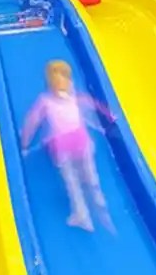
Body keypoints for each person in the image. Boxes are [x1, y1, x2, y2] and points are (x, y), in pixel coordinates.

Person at [20, 60, 115, 233]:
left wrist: (24, 144)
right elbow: (92, 103)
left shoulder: (45, 100)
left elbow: (32, 122)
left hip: (63, 146)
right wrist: (110, 116)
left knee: (71, 180)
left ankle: (81, 215)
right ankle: (97, 194)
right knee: (88, 168)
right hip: (82, 140)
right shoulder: (74, 95)